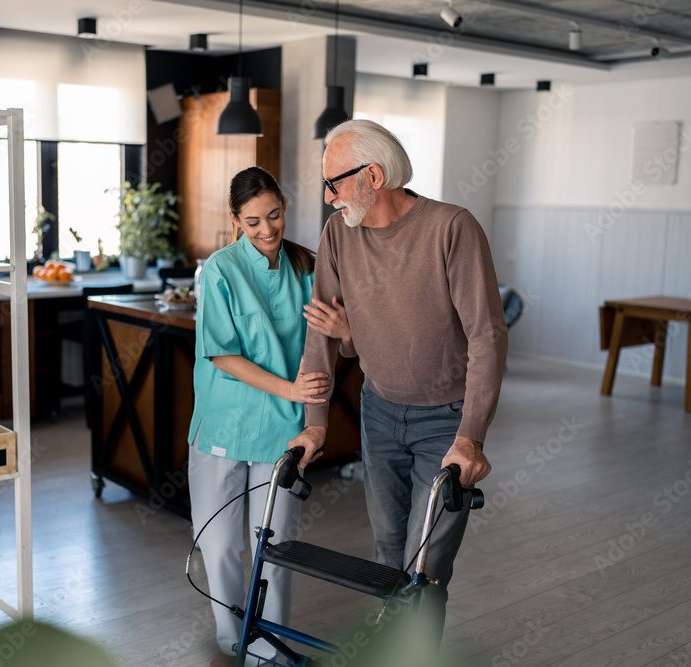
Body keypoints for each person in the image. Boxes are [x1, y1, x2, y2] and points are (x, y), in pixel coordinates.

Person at [292, 119, 508, 623]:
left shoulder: (452, 227)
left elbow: (487, 335)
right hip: (380, 411)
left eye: (333, 183)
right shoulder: (338, 235)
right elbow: (322, 332)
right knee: (389, 553)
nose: (327, 198)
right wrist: (315, 423)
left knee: (425, 566)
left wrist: (471, 436)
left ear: (373, 175)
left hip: (446, 422)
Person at [187, 166, 333, 666]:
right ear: (236, 220)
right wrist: (292, 387)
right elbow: (223, 354)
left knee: (277, 547)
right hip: (224, 426)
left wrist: (346, 331)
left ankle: (267, 652)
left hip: (283, 432)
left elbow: (341, 346)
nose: (267, 230)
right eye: (253, 222)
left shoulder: (309, 268)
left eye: (274, 216)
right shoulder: (220, 270)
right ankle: (235, 645)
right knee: (220, 545)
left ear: (285, 206)